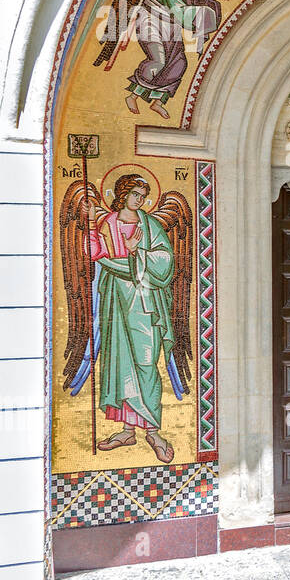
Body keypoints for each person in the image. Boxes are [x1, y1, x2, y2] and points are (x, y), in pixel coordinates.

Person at [89, 175, 181, 464]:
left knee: (145, 361)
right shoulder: (109, 223)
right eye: (135, 194)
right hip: (117, 298)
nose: (139, 200)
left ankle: (152, 431)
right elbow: (97, 255)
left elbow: (166, 260)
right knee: (120, 363)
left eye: (143, 195)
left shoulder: (149, 224)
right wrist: (91, 226)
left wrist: (135, 252)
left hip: (145, 299)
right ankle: (128, 430)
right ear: (122, 194)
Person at [108, 0, 220, 119]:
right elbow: (180, 12)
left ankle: (158, 102)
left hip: (169, 25)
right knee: (158, 61)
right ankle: (132, 96)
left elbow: (191, 3)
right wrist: (202, 15)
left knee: (179, 63)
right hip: (151, 22)